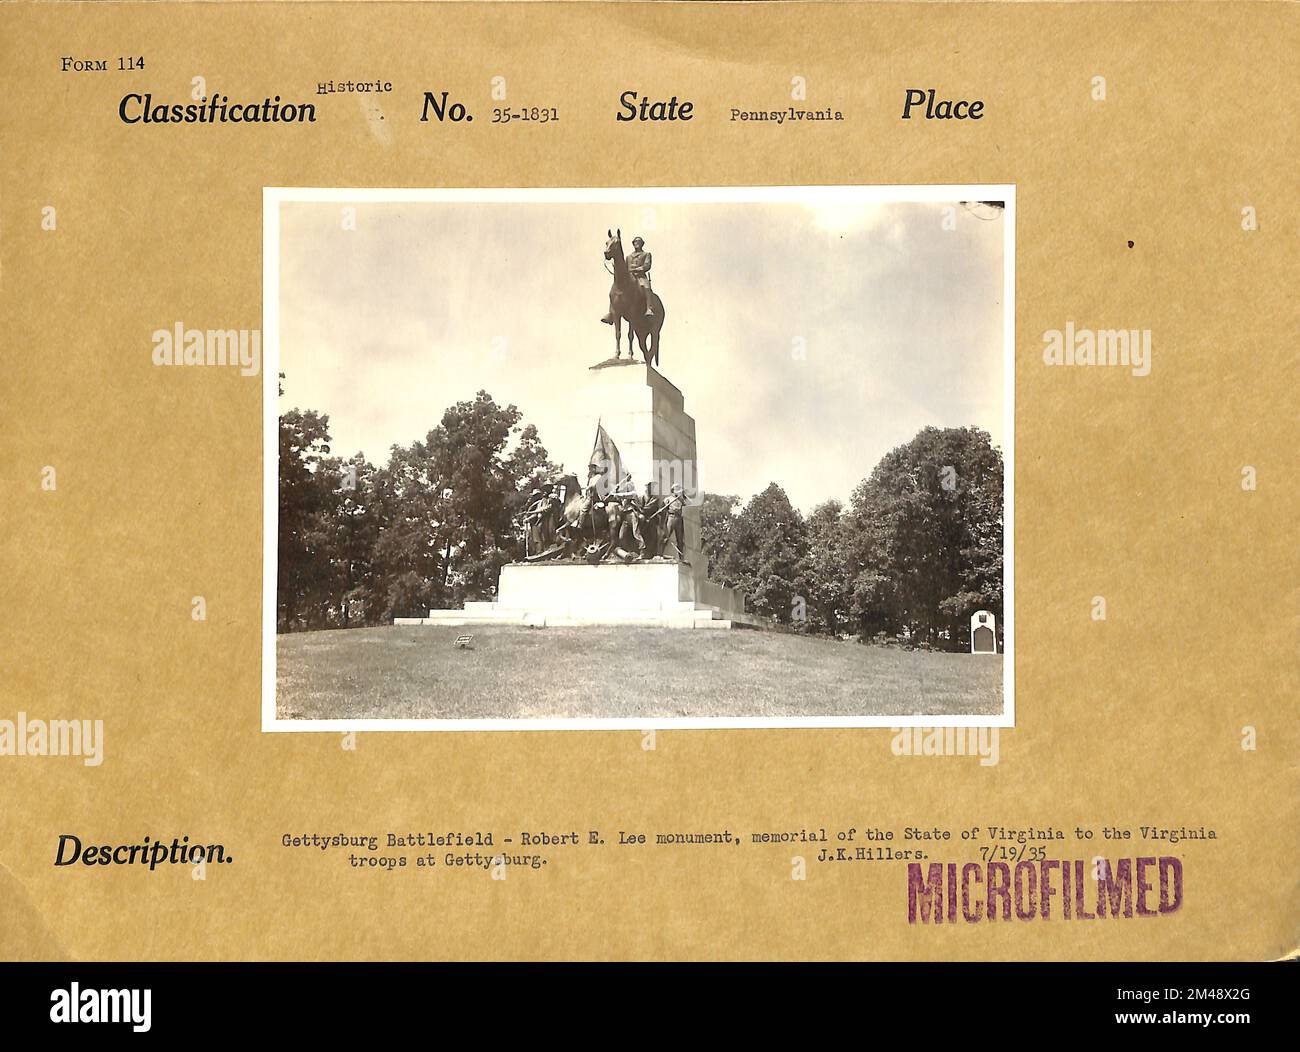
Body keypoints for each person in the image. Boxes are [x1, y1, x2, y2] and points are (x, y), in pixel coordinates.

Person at [626, 237, 655, 318]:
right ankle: (611, 313)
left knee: (646, 287)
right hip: (630, 277)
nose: (637, 243)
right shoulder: (628, 257)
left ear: (642, 244)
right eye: (635, 242)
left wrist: (638, 269)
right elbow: (625, 268)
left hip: (641, 276)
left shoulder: (646, 254)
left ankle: (649, 308)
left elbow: (647, 265)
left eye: (639, 242)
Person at [659, 483, 687, 562]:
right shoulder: (668, 499)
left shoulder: (681, 500)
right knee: (665, 536)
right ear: (673, 490)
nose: (678, 491)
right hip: (671, 518)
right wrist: (662, 522)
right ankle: (660, 554)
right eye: (676, 489)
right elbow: (662, 510)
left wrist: (683, 495)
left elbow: (687, 503)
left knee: (680, 539)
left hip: (679, 519)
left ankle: (681, 557)